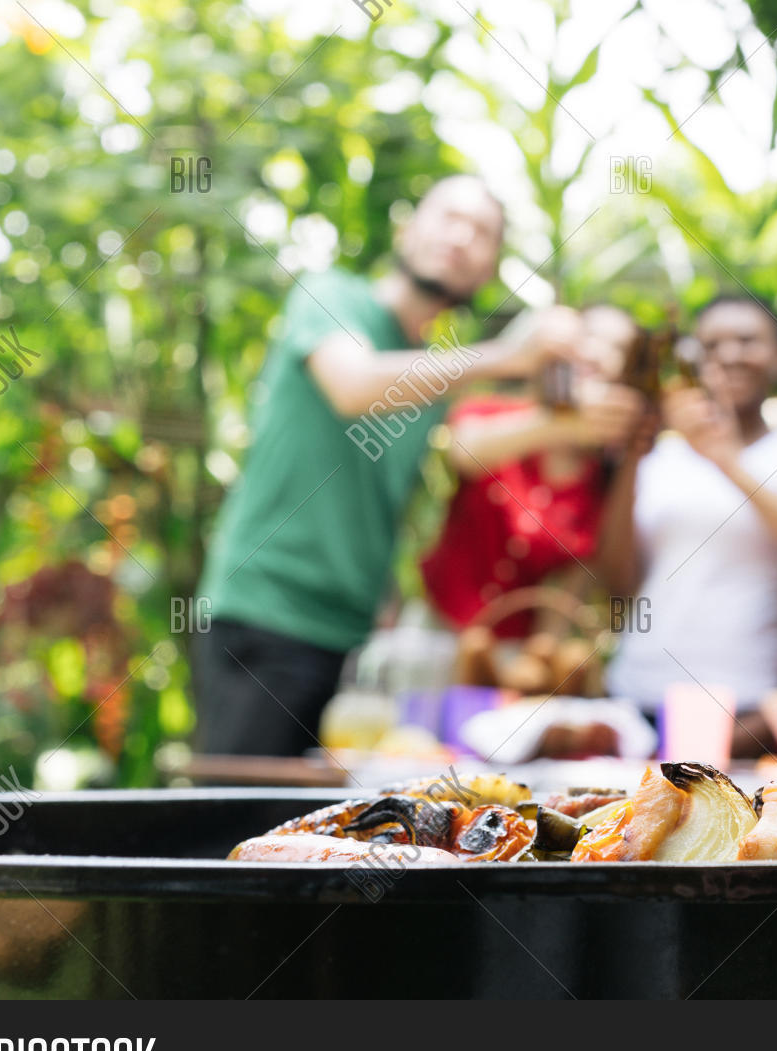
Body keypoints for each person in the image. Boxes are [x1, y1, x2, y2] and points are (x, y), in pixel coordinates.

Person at [194, 176, 583, 756]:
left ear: (488, 269)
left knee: (315, 837)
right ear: (408, 228)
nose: (460, 236)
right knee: (231, 827)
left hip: (353, 644)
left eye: (482, 233)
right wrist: (509, 355)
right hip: (264, 618)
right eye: (449, 216)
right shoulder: (332, 297)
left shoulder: (432, 375)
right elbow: (356, 385)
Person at [599, 294, 777, 755]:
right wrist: (633, 456)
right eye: (712, 344)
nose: (730, 355)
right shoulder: (659, 456)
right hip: (637, 691)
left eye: (747, 340)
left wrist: (723, 457)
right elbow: (617, 583)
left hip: (746, 700)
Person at [419, 305, 646, 637]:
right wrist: (565, 421)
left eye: (618, 349)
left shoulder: (605, 479)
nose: (597, 353)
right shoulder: (492, 412)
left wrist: (542, 666)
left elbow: (572, 588)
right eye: (590, 337)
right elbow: (464, 452)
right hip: (436, 627)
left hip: (513, 650)